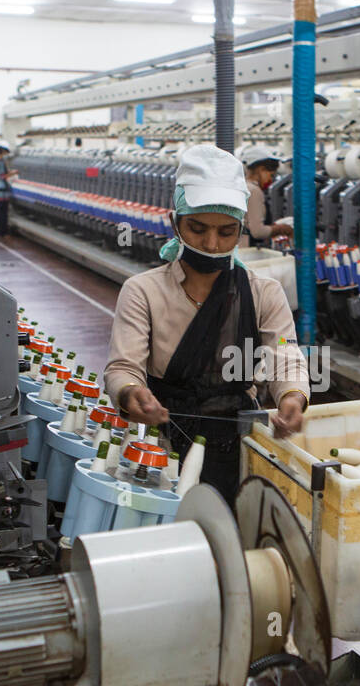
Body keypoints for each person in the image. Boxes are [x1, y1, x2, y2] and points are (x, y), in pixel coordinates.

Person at [104, 144, 309, 506]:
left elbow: (284, 353)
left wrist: (292, 395)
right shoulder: (144, 292)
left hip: (236, 445)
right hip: (161, 444)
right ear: (174, 222)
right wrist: (128, 392)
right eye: (197, 229)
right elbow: (124, 366)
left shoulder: (263, 293)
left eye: (226, 232)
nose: (211, 244)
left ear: (241, 229)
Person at [238, 144, 293, 248]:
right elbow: (257, 232)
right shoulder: (254, 191)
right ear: (261, 170)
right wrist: (282, 229)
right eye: (271, 174)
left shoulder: (243, 186)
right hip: (249, 249)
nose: (271, 180)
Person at [0, 144, 17, 238]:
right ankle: (2, 232)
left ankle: (0, 232)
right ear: (3, 152)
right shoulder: (1, 162)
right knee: (3, 212)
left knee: (0, 212)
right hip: (2, 191)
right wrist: (13, 173)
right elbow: (2, 176)